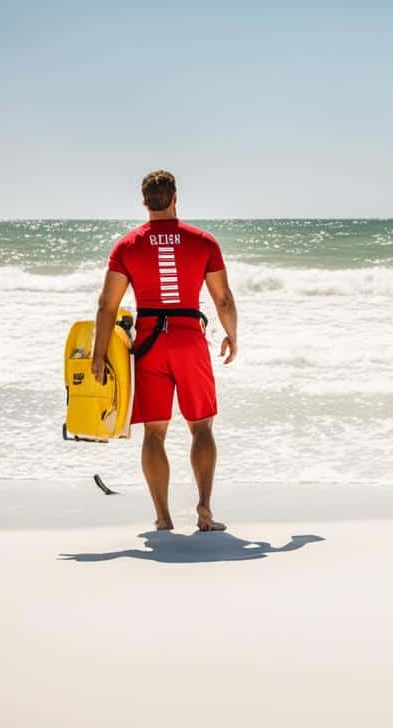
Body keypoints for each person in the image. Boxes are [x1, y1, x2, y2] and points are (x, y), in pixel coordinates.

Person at [92, 170, 239, 532]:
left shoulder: (127, 246)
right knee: (201, 427)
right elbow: (222, 298)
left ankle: (163, 517)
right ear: (176, 196)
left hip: (150, 345)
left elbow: (106, 306)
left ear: (144, 202)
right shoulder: (202, 241)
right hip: (189, 340)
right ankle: (204, 509)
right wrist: (232, 334)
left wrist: (98, 355)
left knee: (154, 433)